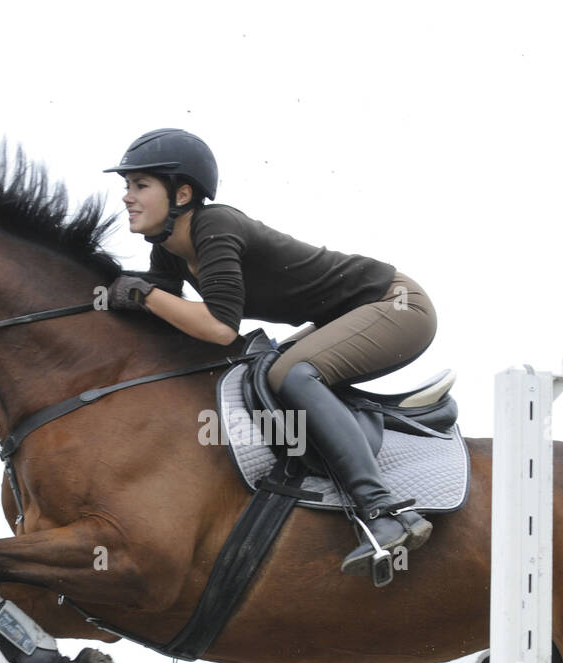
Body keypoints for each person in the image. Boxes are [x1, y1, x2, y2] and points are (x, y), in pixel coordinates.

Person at [104, 128, 437, 581]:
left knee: (293, 374)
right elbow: (167, 306)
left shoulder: (214, 225)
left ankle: (383, 510)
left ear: (182, 193)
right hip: (347, 316)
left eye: (140, 185)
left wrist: (143, 295)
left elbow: (220, 327)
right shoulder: (170, 246)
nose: (127, 197)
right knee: (266, 374)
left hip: (397, 305)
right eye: (127, 186)